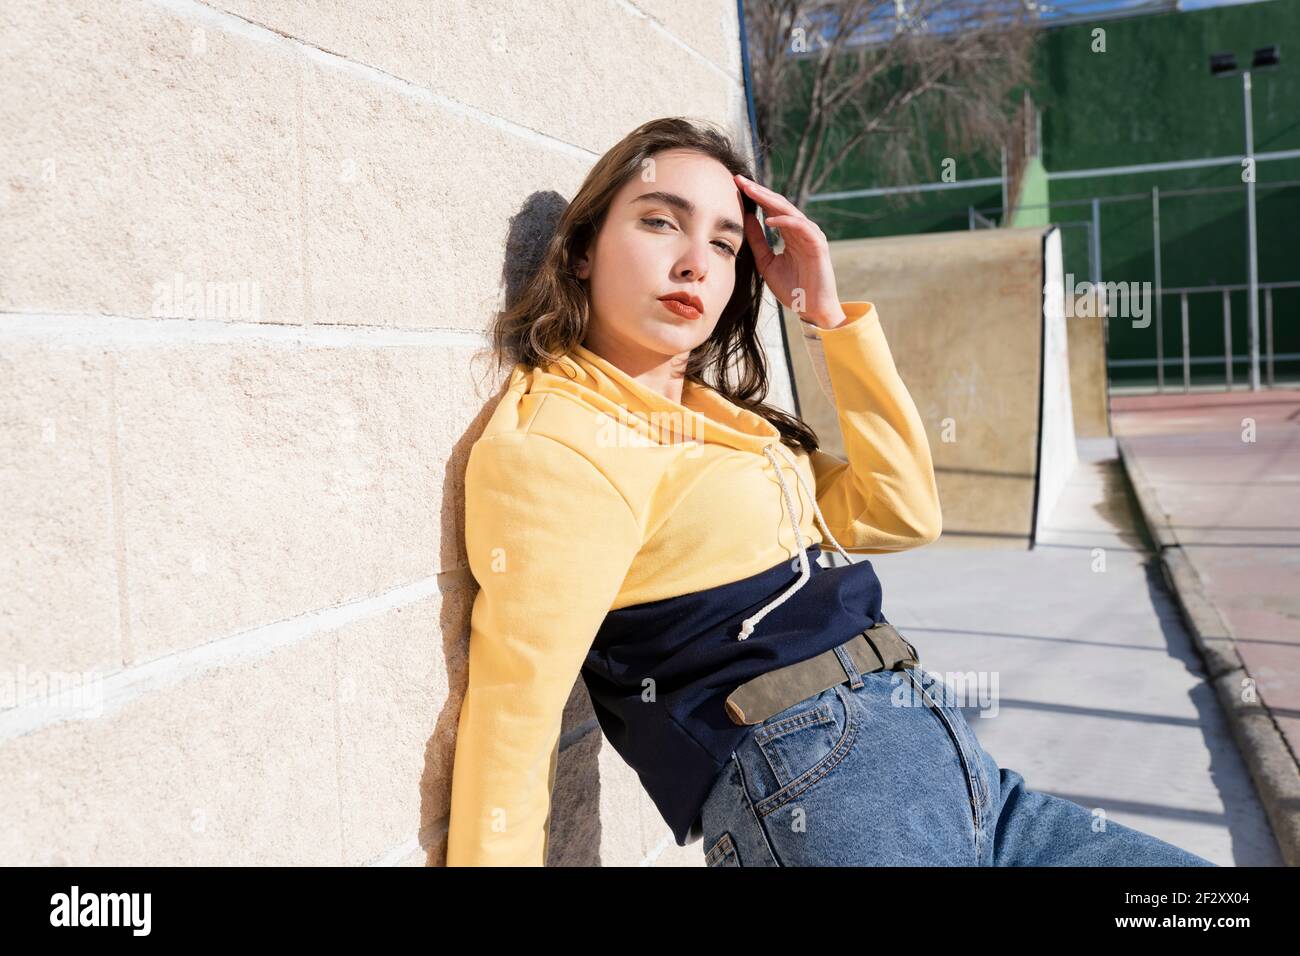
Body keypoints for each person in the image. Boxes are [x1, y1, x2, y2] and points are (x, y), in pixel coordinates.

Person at [445, 116, 1216, 868]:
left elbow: (900, 509)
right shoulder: (563, 439)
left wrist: (825, 314)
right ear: (581, 250)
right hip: (821, 787)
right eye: (659, 223)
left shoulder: (727, 429)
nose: (696, 264)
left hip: (964, 774)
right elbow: (515, 715)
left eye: (724, 242)